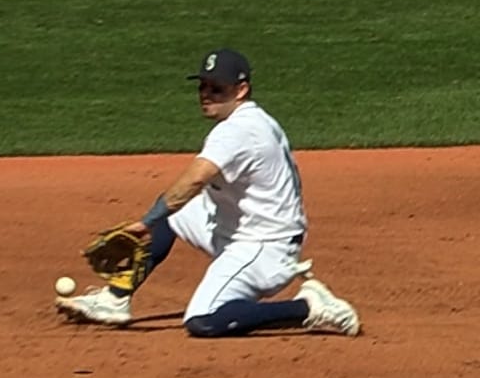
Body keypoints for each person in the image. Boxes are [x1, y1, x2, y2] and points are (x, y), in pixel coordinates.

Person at [56, 48, 361, 338]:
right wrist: (158, 218)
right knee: (175, 213)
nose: (206, 95)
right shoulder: (253, 120)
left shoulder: (238, 130)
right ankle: (116, 299)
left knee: (202, 319)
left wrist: (145, 223)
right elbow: (181, 198)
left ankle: (307, 306)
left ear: (241, 90)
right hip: (243, 229)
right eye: (203, 86)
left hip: (263, 247)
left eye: (217, 88)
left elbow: (193, 181)